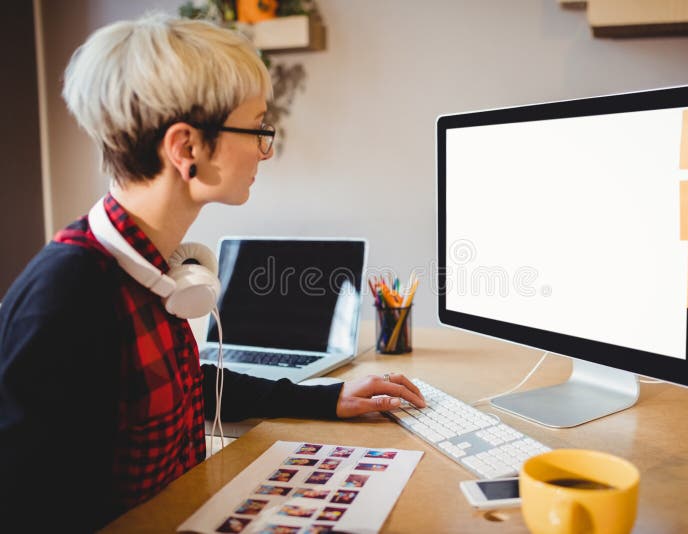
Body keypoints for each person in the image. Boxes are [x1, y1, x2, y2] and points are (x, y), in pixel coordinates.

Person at [0, 12, 424, 531]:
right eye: (258, 127)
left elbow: (183, 386)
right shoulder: (69, 298)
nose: (266, 149)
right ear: (187, 148)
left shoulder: (157, 267)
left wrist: (329, 396)